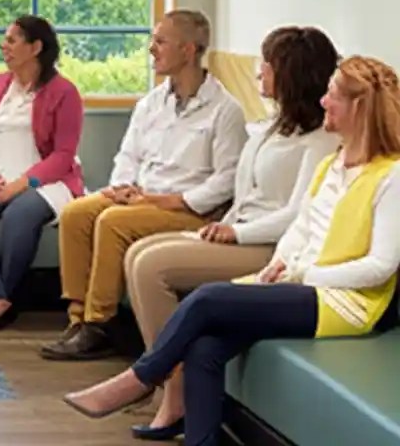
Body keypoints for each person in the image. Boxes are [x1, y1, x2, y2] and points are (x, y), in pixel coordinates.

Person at [63, 55, 400, 446]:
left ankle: (143, 377)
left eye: (333, 95)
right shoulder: (332, 163)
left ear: (359, 107)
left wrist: (304, 274)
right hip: (302, 285)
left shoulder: (391, 176)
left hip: (345, 304)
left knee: (208, 298)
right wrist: (279, 263)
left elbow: (381, 265)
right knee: (205, 348)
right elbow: (301, 227)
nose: (323, 102)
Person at [120, 26, 340, 440]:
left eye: (268, 66)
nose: (259, 73)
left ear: (291, 74)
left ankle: (174, 392)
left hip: (272, 248)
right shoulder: (274, 125)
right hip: (240, 231)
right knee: (138, 252)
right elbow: (246, 194)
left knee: (152, 266)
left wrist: (236, 234)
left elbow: (296, 215)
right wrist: (217, 227)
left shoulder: (321, 140)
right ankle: (175, 386)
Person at [41, 10, 248, 361]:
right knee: (76, 213)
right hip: (141, 198)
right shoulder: (151, 103)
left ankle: (99, 323)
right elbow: (128, 154)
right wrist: (120, 186)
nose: (151, 48)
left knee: (112, 222)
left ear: (188, 50)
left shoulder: (225, 110)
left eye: (160, 41)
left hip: (187, 210)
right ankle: (78, 318)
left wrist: (176, 201)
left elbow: (227, 179)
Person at [0, 16, 84, 332]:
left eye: (12, 40)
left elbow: (63, 155)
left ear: (36, 47)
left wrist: (22, 184)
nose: (4, 45)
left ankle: (4, 299)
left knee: (20, 213)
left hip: (47, 182)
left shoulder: (64, 92)